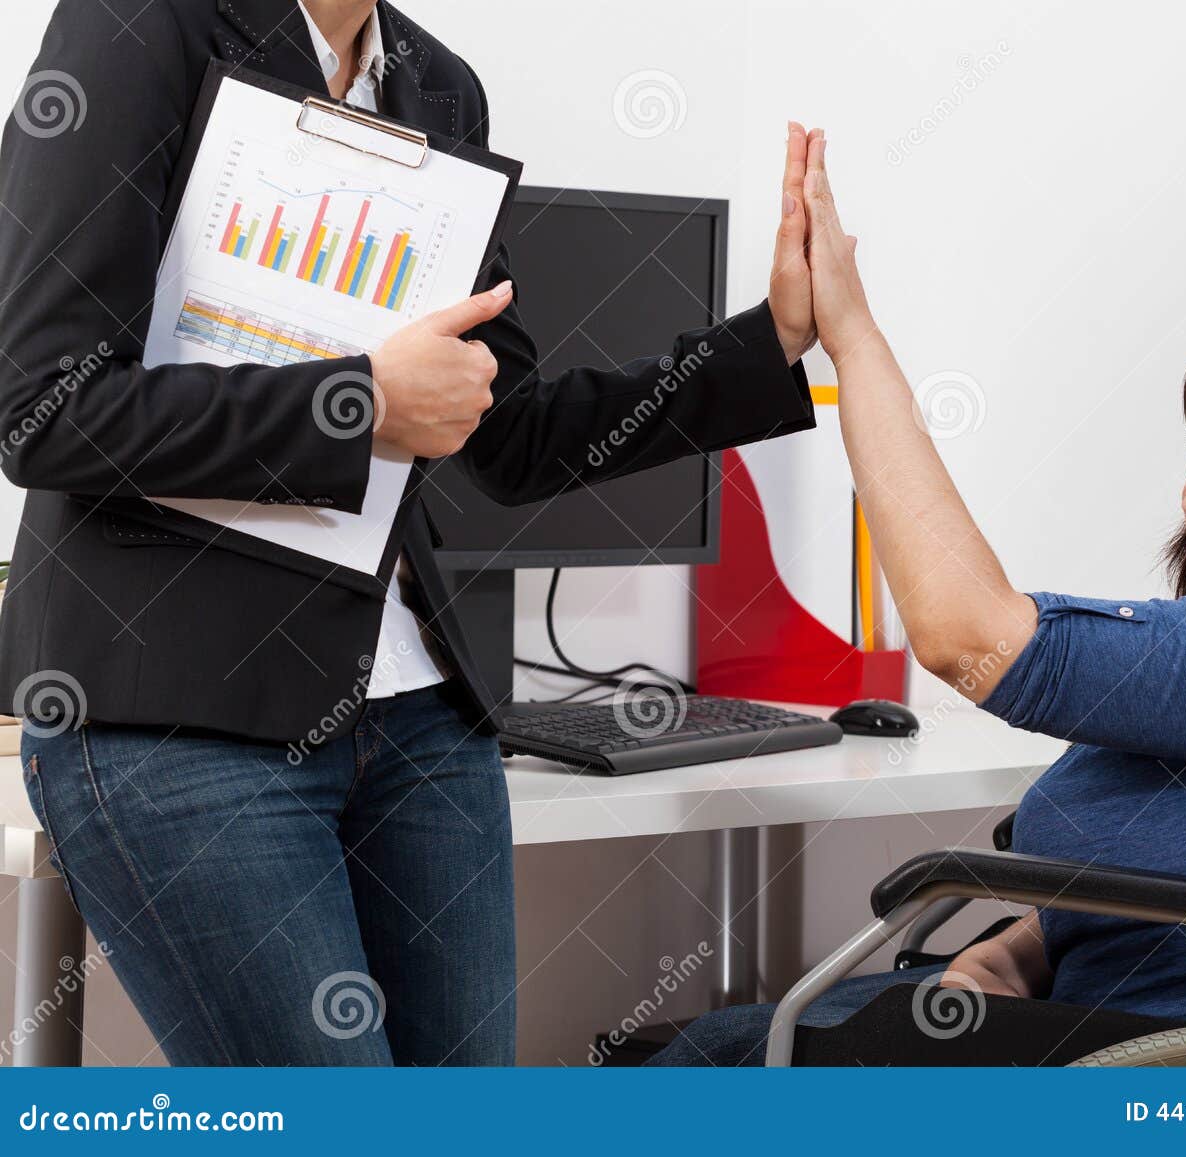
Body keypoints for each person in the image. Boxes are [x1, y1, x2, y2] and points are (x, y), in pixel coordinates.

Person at [0, 0, 822, 1065]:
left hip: (419, 719)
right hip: (178, 709)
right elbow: (45, 408)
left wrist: (770, 342)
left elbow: (507, 432)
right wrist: (358, 402)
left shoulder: (437, 82)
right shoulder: (141, 25)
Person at [648, 130, 1186, 1065]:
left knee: (698, 1052)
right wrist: (1008, 957)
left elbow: (968, 637)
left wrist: (852, 335)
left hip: (1142, 1065)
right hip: (1089, 1021)